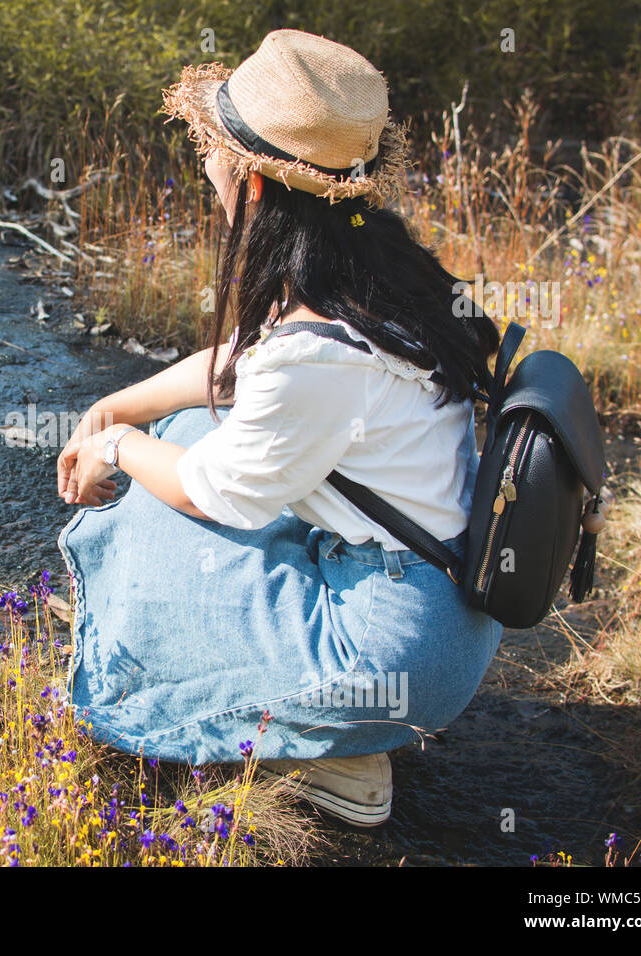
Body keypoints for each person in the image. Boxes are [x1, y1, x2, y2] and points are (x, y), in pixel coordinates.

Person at [55, 30, 503, 827]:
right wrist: (119, 407)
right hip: (431, 604)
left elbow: (212, 493)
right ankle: (188, 642)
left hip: (391, 653)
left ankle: (337, 753)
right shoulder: (368, 266)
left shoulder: (317, 351)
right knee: (184, 429)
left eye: (214, 152)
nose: (205, 165)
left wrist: (113, 446)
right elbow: (239, 364)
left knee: (161, 515)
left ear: (255, 184)